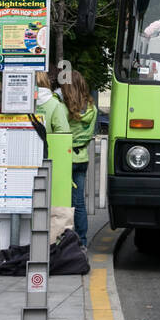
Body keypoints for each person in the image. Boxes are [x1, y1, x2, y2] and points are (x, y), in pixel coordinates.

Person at [61, 71, 98, 247]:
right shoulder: (92, 109)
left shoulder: (65, 109)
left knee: (64, 202)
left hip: (66, 157)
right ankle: (82, 241)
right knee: (79, 203)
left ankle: (64, 240)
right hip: (82, 158)